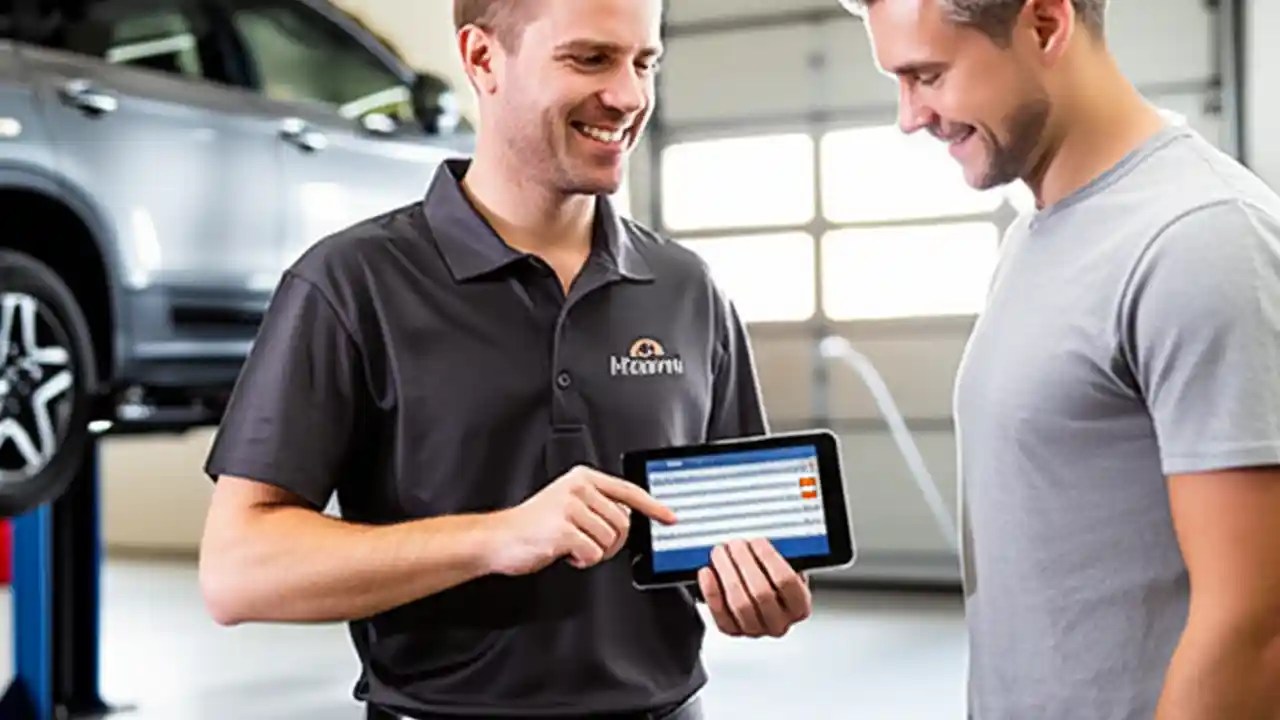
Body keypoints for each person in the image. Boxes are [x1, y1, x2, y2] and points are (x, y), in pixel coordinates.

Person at [198, 0, 813, 718]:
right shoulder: (351, 283)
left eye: (644, 62)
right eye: (590, 59)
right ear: (483, 59)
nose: (629, 96)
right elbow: (238, 572)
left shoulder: (686, 288)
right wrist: (497, 537)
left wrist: (758, 587)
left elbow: (741, 533)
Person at [840, 0, 1280, 718]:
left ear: (1045, 24)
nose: (909, 116)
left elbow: (1256, 627)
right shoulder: (1040, 230)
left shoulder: (1202, 241)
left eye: (928, 75)